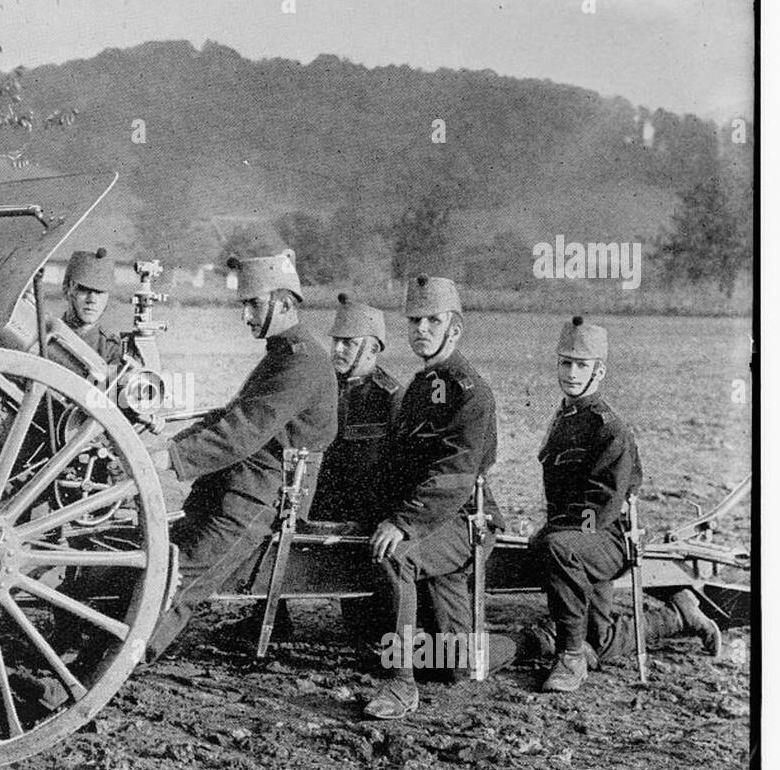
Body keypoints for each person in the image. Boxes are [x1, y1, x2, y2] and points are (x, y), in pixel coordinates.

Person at [145, 249, 338, 663]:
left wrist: (168, 459)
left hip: (261, 500)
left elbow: (244, 430)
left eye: (254, 304)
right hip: (235, 489)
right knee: (161, 560)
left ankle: (118, 662)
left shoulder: (303, 363)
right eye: (245, 305)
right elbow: (228, 415)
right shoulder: (283, 355)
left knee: (179, 581)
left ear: (285, 303)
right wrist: (167, 447)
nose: (247, 316)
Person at [532, 316, 721, 693]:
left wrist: (562, 535)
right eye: (565, 363)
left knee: (553, 546)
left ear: (598, 372)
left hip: (607, 537)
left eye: (581, 365)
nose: (571, 372)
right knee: (601, 640)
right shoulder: (563, 418)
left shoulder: (609, 428)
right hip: (581, 540)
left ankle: (569, 657)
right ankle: (677, 616)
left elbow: (600, 507)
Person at [363, 275, 513, 720]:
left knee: (397, 555)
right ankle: (534, 641)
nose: (421, 329)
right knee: (455, 663)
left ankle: (400, 684)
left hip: (465, 521)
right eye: (414, 321)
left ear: (455, 328)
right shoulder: (421, 387)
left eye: (433, 320)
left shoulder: (471, 392)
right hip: (434, 522)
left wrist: (403, 524)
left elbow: (453, 477)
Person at [297, 295, 401, 648]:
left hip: (365, 520)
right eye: (335, 342)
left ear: (373, 349)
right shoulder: (322, 386)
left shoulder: (391, 399)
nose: (338, 350)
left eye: (349, 344)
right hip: (321, 510)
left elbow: (399, 474)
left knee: (365, 634)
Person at [61, 247, 125, 368]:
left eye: (100, 292)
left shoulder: (113, 351)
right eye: (83, 290)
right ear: (66, 290)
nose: (92, 300)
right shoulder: (44, 337)